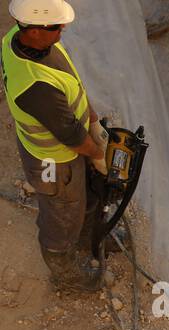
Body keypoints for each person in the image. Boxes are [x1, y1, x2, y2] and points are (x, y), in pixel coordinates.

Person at [2, 0, 108, 292]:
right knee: (61, 213)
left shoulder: (19, 38)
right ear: (33, 31)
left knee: (85, 193)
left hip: (63, 146)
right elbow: (72, 136)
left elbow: (71, 84)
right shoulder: (36, 86)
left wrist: (94, 120)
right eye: (55, 27)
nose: (62, 30)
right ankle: (67, 275)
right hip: (53, 162)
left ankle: (89, 238)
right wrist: (98, 154)